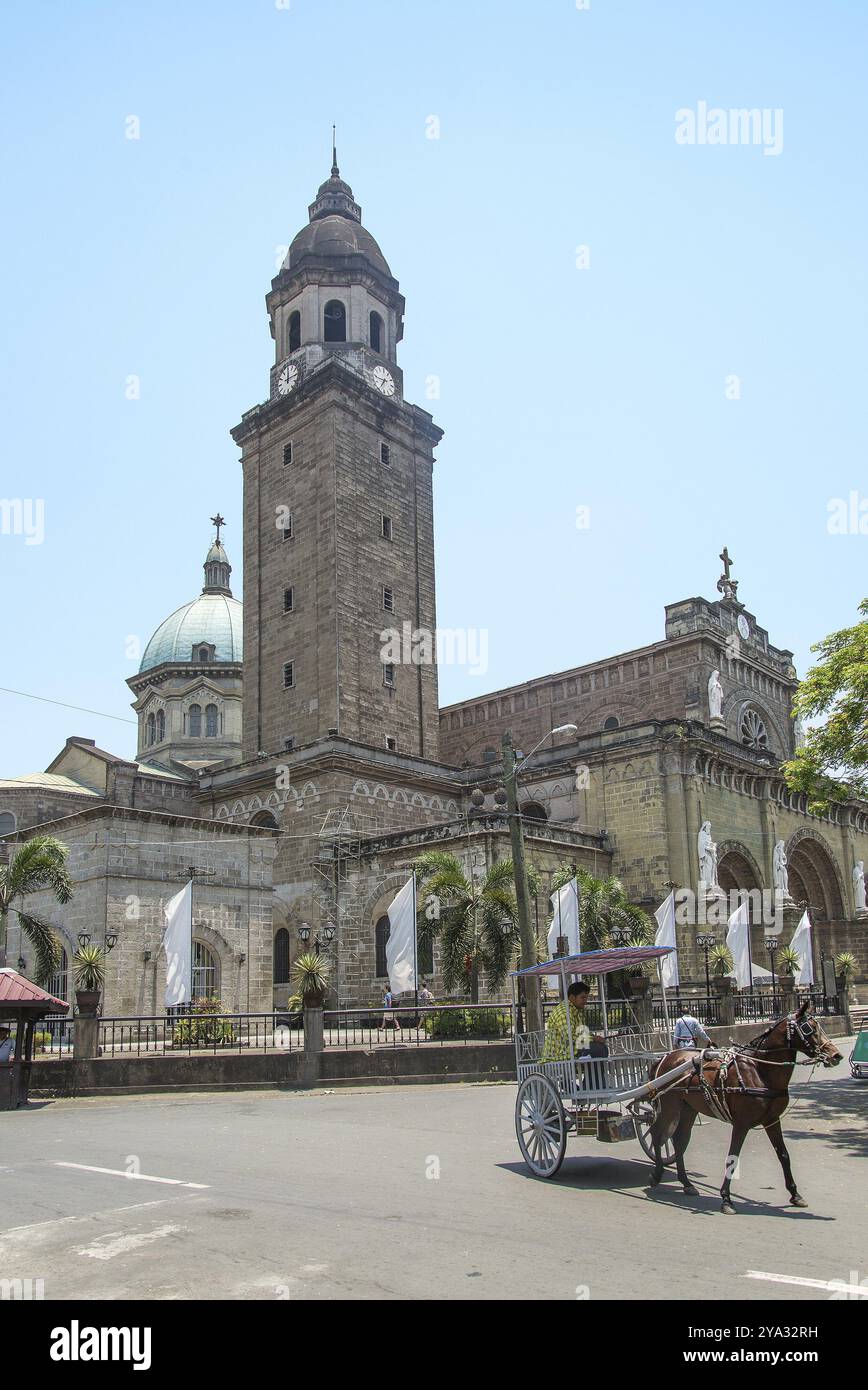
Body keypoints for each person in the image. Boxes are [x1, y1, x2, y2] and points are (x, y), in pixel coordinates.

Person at [541, 981, 609, 1086]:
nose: (585, 1001)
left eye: (586, 998)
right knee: (597, 1049)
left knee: (602, 1047)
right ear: (572, 997)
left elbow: (582, 1032)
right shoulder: (564, 1012)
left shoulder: (577, 1011)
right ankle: (592, 1085)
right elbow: (570, 1036)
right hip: (560, 1054)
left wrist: (595, 1038)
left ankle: (594, 1084)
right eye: (582, 998)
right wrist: (593, 1038)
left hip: (574, 1049)